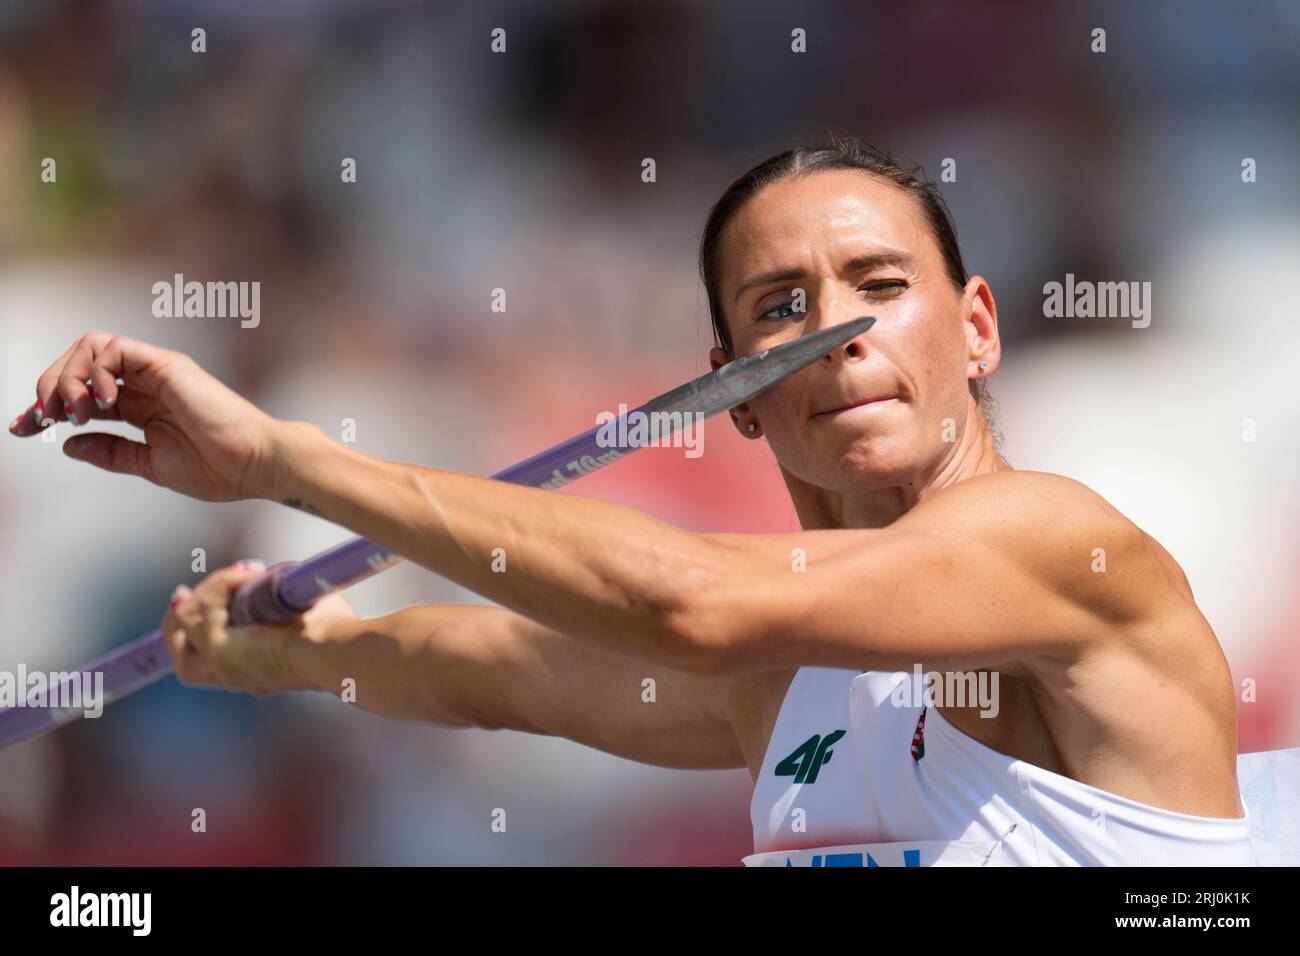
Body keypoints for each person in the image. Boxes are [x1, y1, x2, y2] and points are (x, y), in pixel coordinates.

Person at [7, 141, 1252, 865]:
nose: (839, 333)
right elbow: (483, 668)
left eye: (879, 281)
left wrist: (287, 462)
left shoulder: (1057, 542)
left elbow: (691, 601)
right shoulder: (787, 685)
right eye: (780, 307)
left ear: (976, 328)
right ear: (735, 391)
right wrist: (283, 656)